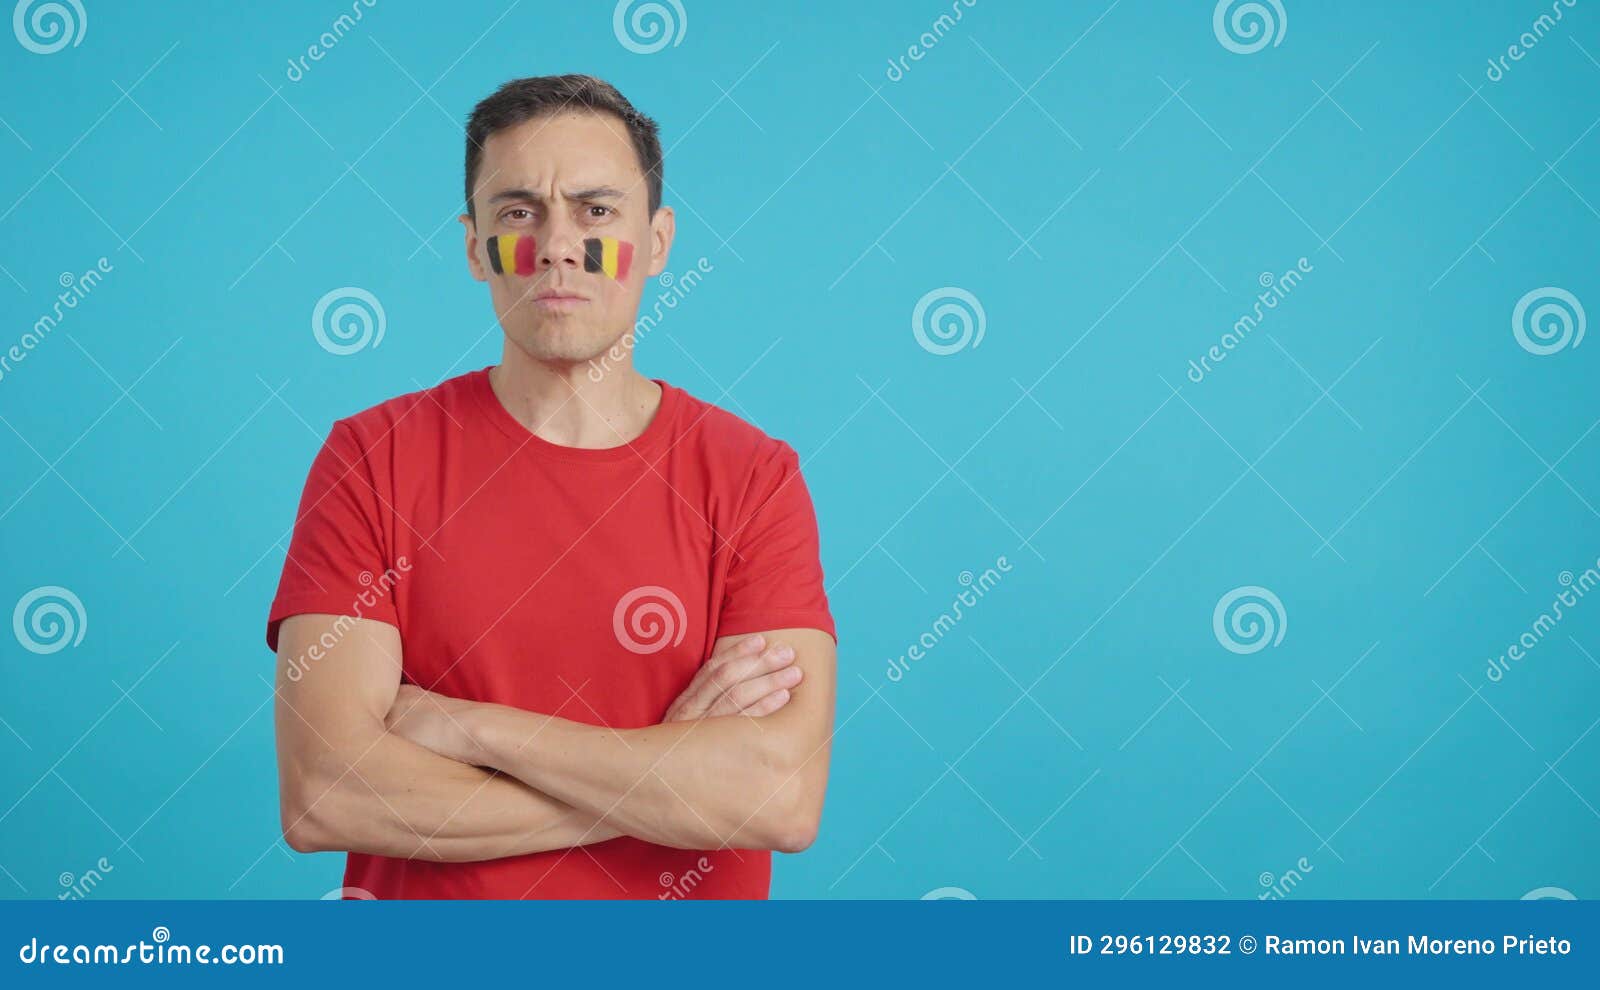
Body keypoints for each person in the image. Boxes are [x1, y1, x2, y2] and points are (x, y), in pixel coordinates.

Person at [266, 74, 837, 899]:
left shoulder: (752, 477)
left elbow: (778, 797)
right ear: (474, 246)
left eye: (598, 211)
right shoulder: (372, 458)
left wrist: (468, 728)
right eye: (519, 212)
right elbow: (328, 792)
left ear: (659, 241)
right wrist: (664, 776)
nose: (559, 244)